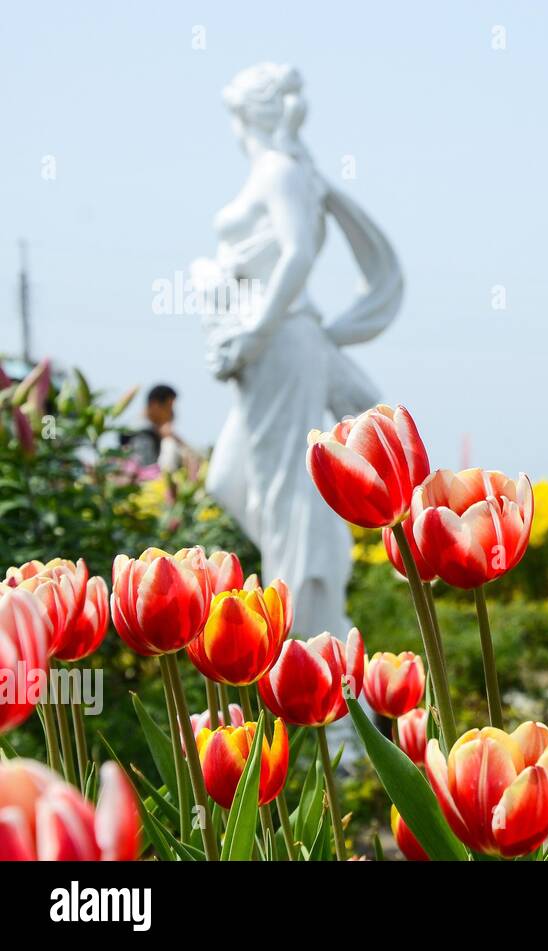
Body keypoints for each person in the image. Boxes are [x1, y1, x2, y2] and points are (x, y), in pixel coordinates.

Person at [196, 64, 404, 638]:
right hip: (271, 347)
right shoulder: (278, 170)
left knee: (284, 484)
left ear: (244, 118)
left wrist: (255, 332)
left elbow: (295, 255)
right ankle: (311, 590)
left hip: (283, 341)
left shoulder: (281, 171)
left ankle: (307, 634)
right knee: (231, 480)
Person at [126, 384, 194, 477]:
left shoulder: (155, 430)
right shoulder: (142, 434)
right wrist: (168, 439)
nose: (171, 412)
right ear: (155, 405)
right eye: (169, 407)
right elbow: (147, 470)